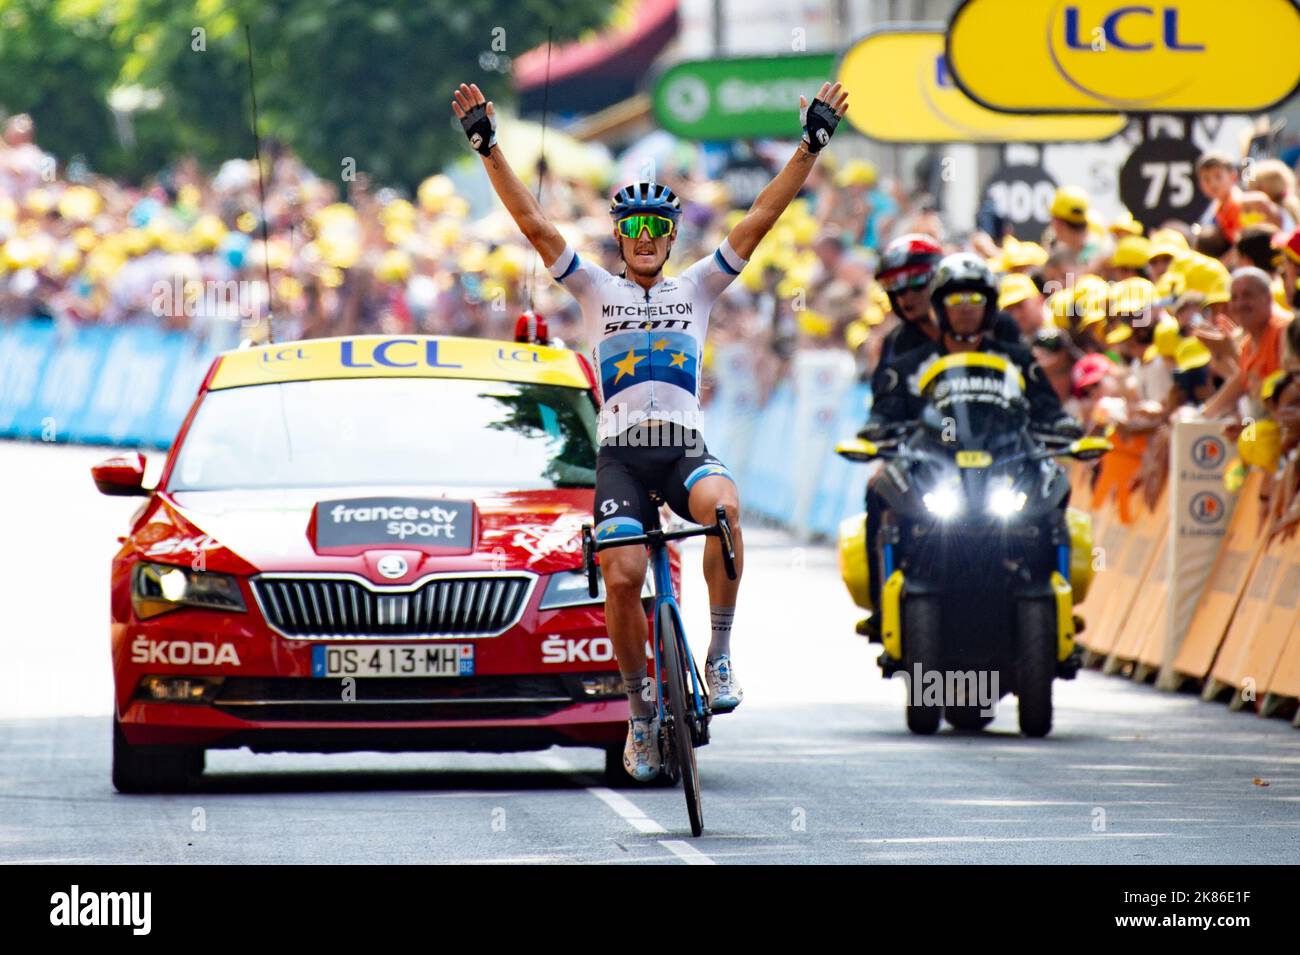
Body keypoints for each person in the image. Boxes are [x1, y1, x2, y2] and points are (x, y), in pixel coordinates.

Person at [451, 80, 849, 780]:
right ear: (619, 238)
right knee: (625, 571)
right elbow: (537, 226)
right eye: (631, 231)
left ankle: (719, 652)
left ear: (669, 238)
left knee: (724, 510)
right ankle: (639, 713)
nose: (642, 240)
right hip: (623, 462)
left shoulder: (696, 286)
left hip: (683, 450)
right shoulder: (594, 290)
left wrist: (810, 146)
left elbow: (760, 216)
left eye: (654, 231)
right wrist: (489, 148)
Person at [859, 253, 1081, 620]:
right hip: (933, 462)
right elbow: (885, 409)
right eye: (955, 300)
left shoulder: (1016, 358)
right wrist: (875, 429)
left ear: (989, 306)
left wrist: (1062, 426)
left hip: (1004, 459)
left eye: (975, 300)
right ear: (939, 307)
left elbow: (1046, 406)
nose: (965, 309)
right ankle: (882, 609)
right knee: (879, 490)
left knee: (1054, 488)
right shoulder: (908, 361)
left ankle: (1058, 605)